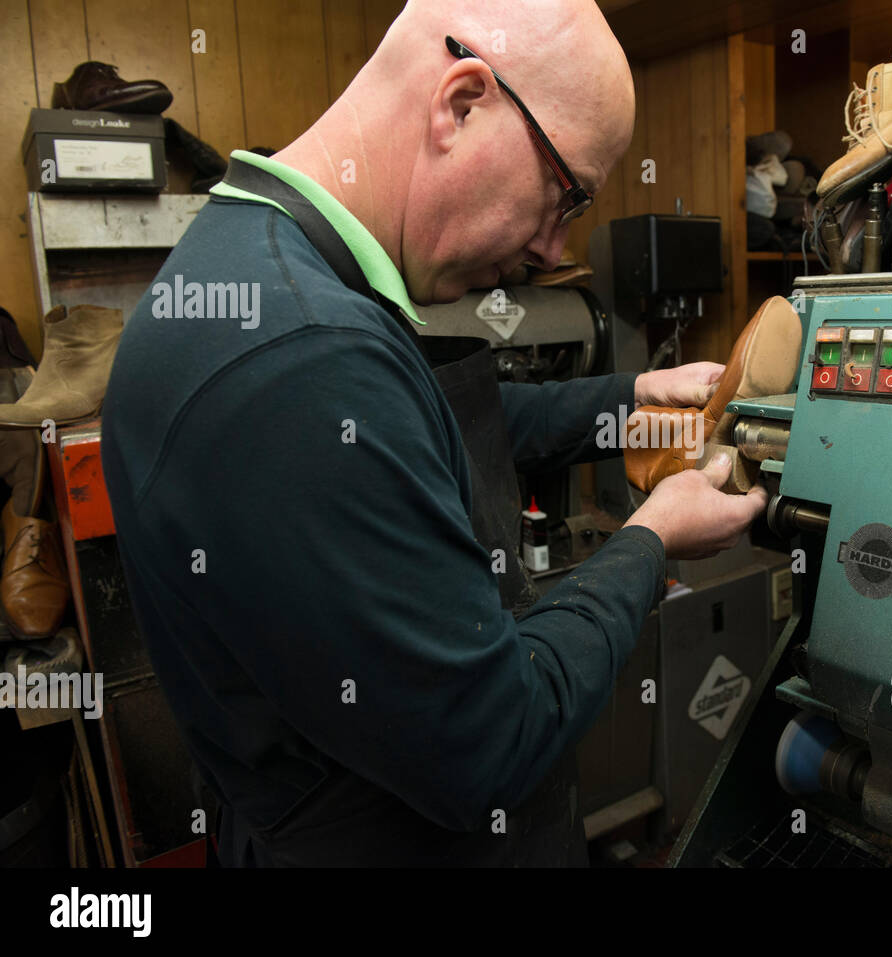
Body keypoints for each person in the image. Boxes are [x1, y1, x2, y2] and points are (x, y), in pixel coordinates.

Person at [100, 0, 766, 866]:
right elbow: (491, 737)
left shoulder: (265, 261)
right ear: (462, 101)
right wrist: (650, 540)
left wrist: (631, 396)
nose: (549, 247)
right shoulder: (301, 357)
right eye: (565, 197)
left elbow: (430, 422)